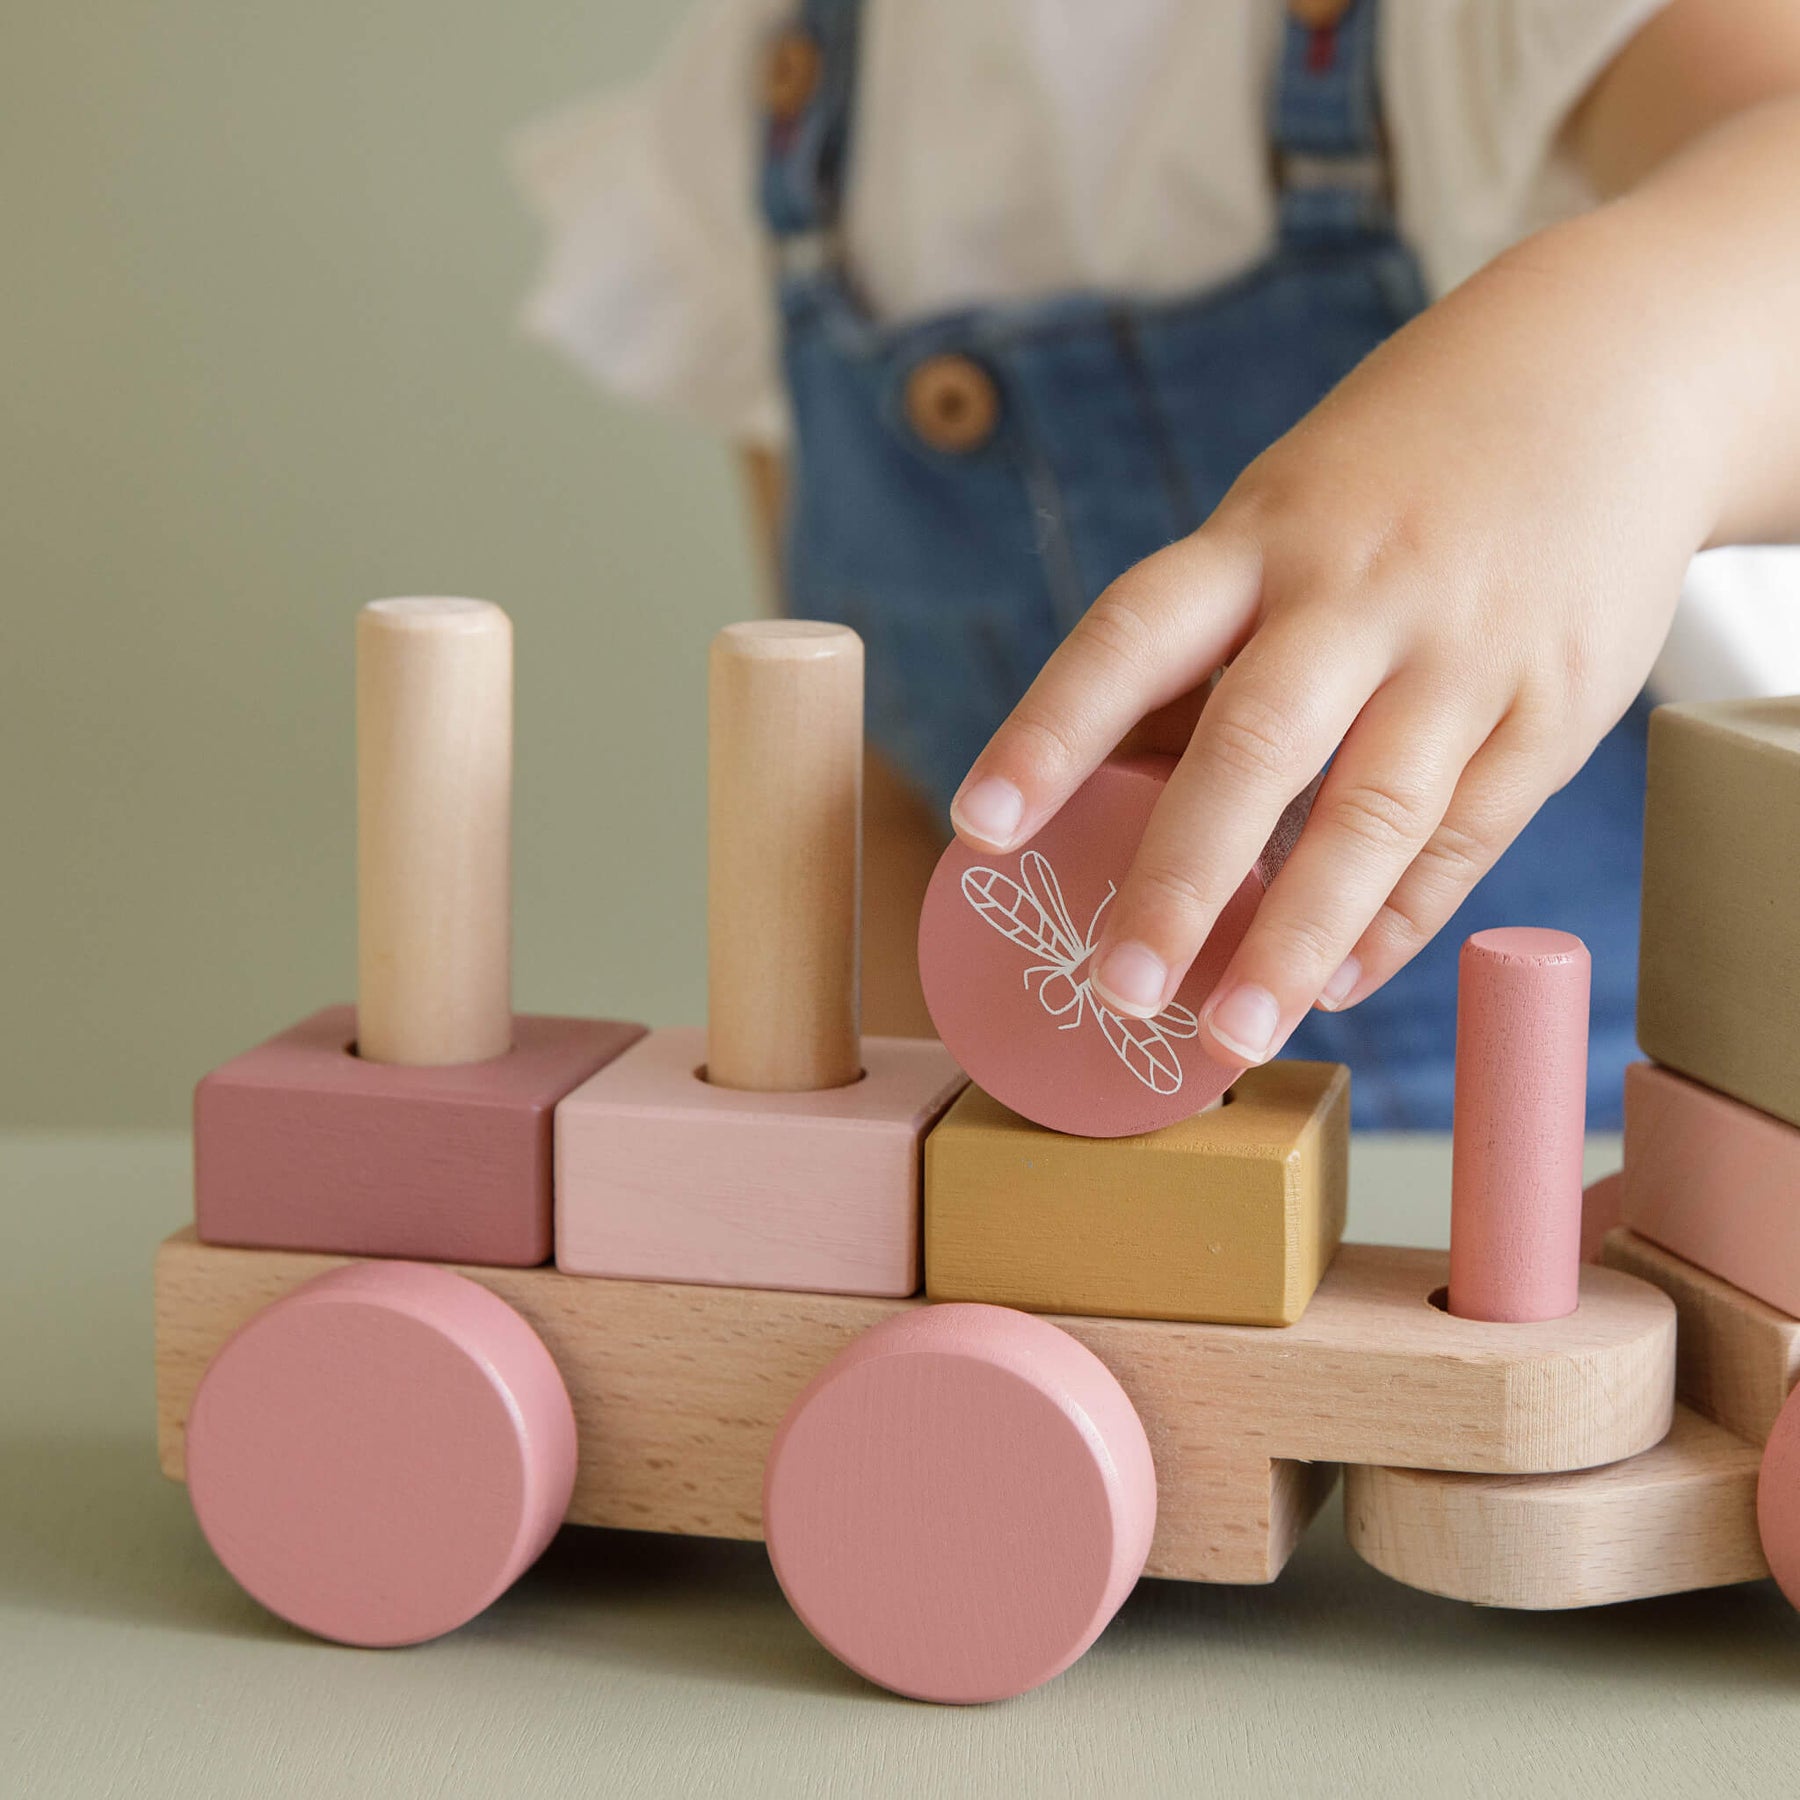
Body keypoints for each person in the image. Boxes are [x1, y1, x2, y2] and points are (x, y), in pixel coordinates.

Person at [513, 0, 1800, 1126]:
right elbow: (887, 800)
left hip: (1614, 1173)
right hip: (1107, 1253)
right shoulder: (772, 100)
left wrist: (1614, 394)